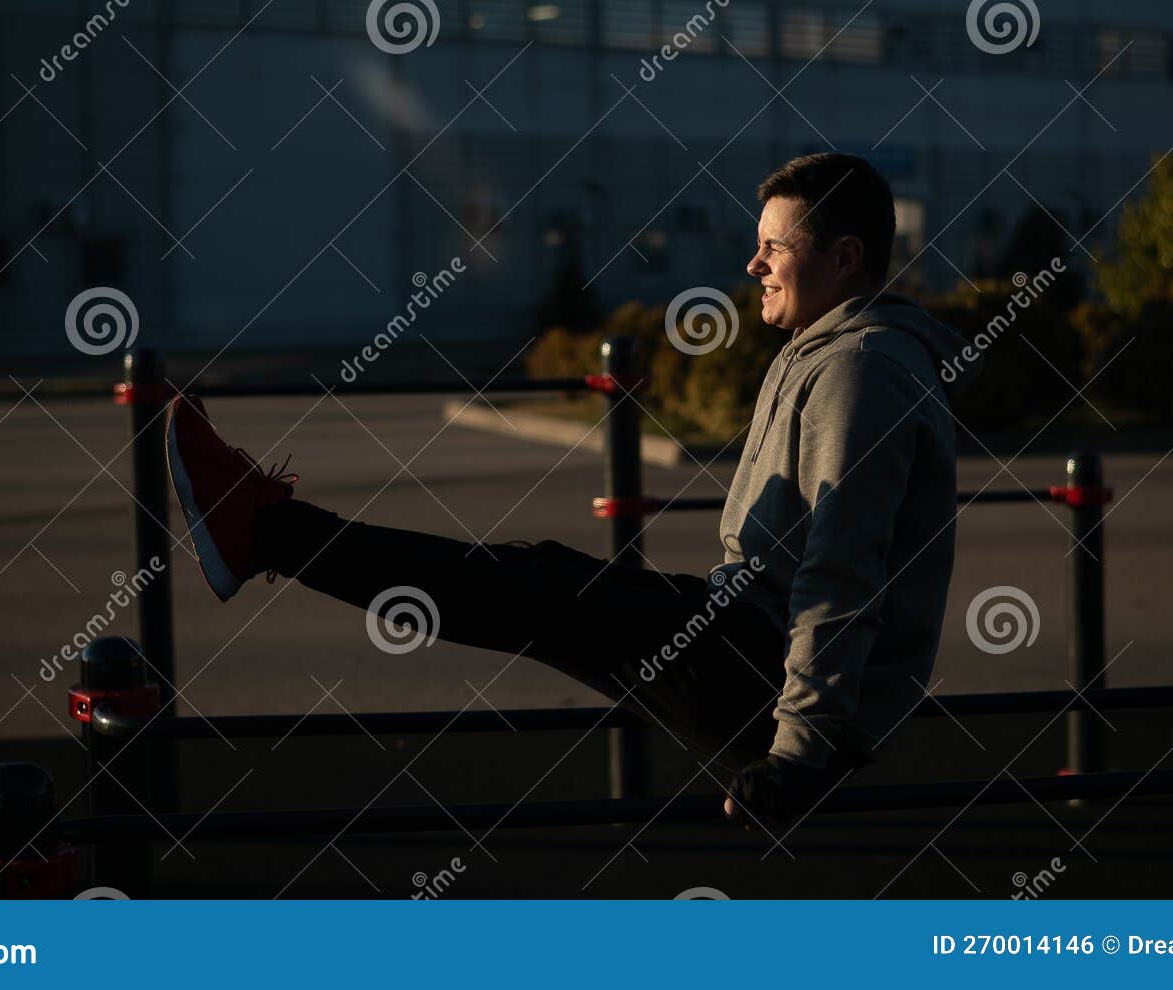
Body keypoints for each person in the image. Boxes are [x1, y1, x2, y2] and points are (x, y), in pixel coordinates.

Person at [164, 153, 981, 831]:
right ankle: (265, 530)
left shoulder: (863, 368)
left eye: (775, 246)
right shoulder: (828, 350)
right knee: (535, 582)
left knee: (525, 591)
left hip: (765, 677)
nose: (752, 264)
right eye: (756, 245)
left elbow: (843, 573)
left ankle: (266, 531)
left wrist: (800, 755)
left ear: (844, 257)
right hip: (744, 639)